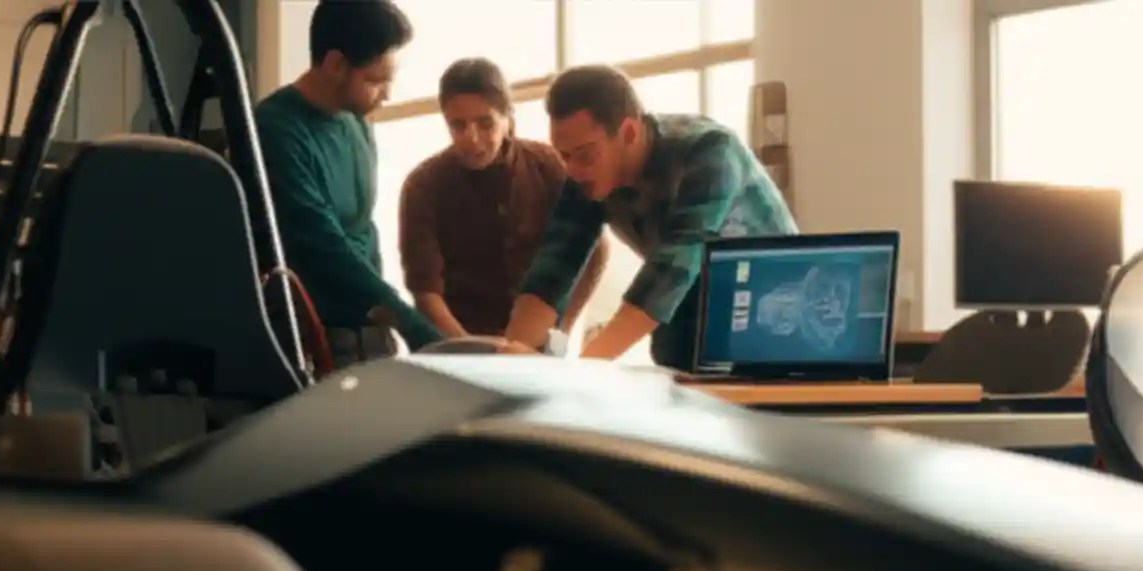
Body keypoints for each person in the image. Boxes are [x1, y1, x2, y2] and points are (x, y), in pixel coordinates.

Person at [502, 65, 798, 369]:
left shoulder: (709, 153)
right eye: (564, 156)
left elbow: (666, 278)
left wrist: (579, 376)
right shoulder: (584, 176)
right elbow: (552, 271)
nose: (574, 170)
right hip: (691, 301)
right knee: (671, 351)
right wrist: (513, 364)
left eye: (585, 154)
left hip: (779, 301)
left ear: (628, 132)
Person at [253, 0, 445, 368]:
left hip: (372, 332)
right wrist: (411, 322)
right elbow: (322, 243)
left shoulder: (356, 121)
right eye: (376, 80)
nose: (386, 94)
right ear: (335, 64)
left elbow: (363, 229)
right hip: (311, 340)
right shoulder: (274, 129)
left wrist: (392, 320)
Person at [400, 58, 608, 337]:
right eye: (458, 125)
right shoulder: (422, 186)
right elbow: (425, 292)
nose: (471, 138)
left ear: (508, 117)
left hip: (539, 341)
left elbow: (597, 248)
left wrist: (563, 327)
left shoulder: (549, 165)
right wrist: (468, 350)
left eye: (485, 123)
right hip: (460, 343)